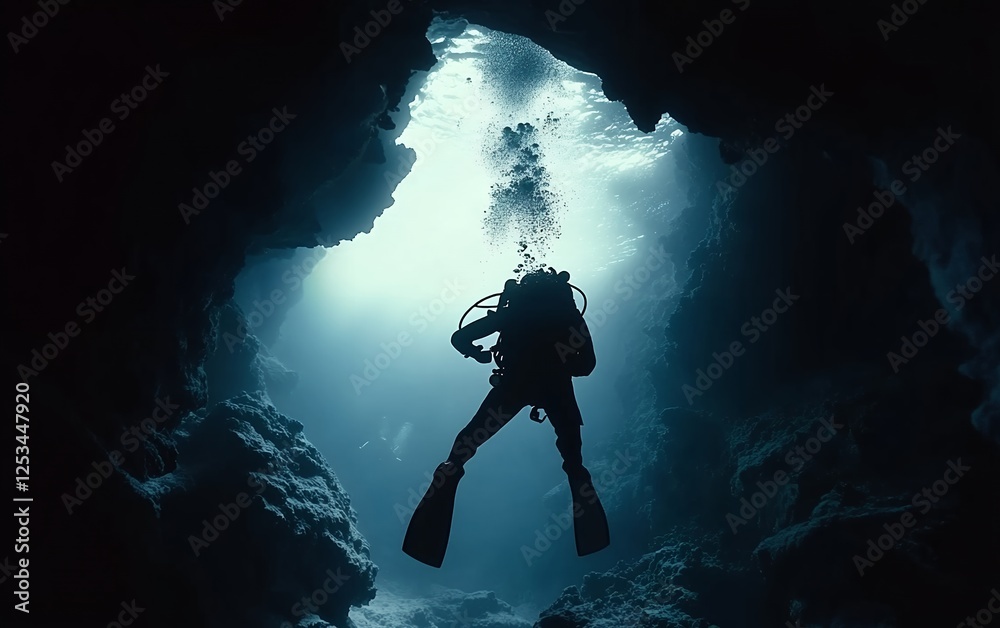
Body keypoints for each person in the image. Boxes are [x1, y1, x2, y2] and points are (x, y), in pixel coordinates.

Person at [402, 268, 610, 568]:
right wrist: (562, 364)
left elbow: (459, 336)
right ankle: (578, 476)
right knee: (572, 457)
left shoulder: (514, 311)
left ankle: (449, 472)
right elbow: (588, 365)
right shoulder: (568, 315)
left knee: (465, 444)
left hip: (513, 385)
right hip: (557, 387)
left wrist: (477, 354)